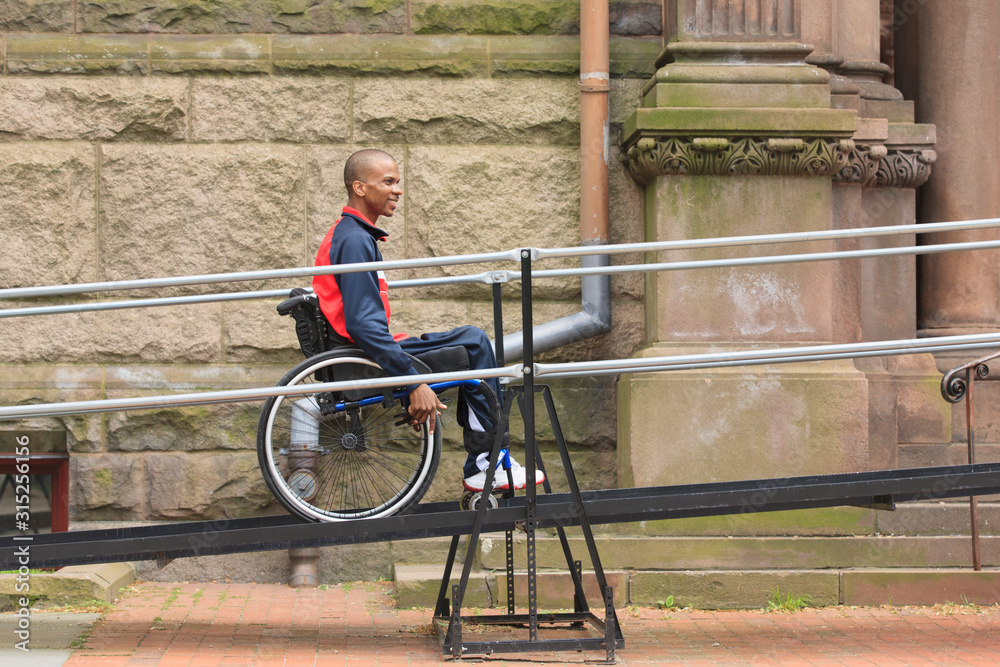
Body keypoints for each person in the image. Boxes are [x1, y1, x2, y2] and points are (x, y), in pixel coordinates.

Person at [311, 148, 543, 492]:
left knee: (472, 338)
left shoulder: (350, 234)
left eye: (398, 182)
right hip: (362, 361)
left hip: (363, 354)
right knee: (474, 352)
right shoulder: (355, 239)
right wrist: (413, 382)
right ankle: (487, 464)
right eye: (388, 181)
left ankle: (488, 460)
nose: (397, 190)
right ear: (359, 188)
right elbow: (362, 325)